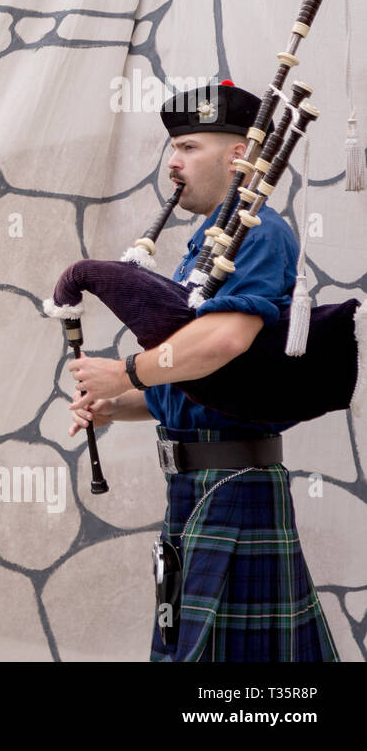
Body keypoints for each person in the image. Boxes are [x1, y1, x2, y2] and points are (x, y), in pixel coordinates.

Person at [69, 81, 338, 662]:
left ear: (240, 154)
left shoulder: (257, 232)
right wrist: (121, 403)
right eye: (172, 147)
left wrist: (129, 373)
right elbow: (204, 382)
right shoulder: (207, 241)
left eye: (188, 146)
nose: (172, 162)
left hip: (232, 485)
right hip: (196, 488)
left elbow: (223, 341)